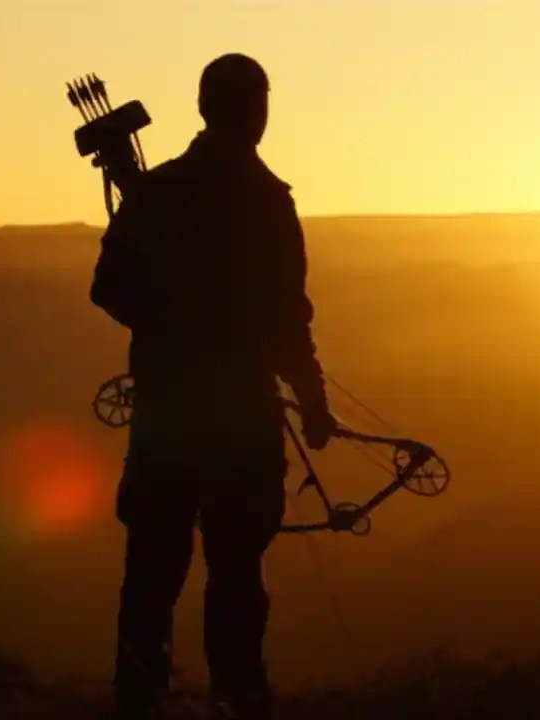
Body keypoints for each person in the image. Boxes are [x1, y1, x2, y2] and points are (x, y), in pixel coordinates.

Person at [90, 53, 336, 720]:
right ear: (254, 112)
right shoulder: (266, 203)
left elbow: (110, 288)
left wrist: (169, 311)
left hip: (170, 420)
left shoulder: (161, 192)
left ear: (204, 108)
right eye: (255, 103)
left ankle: (140, 703)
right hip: (238, 425)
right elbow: (290, 319)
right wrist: (311, 399)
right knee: (233, 579)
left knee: (152, 582)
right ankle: (238, 702)